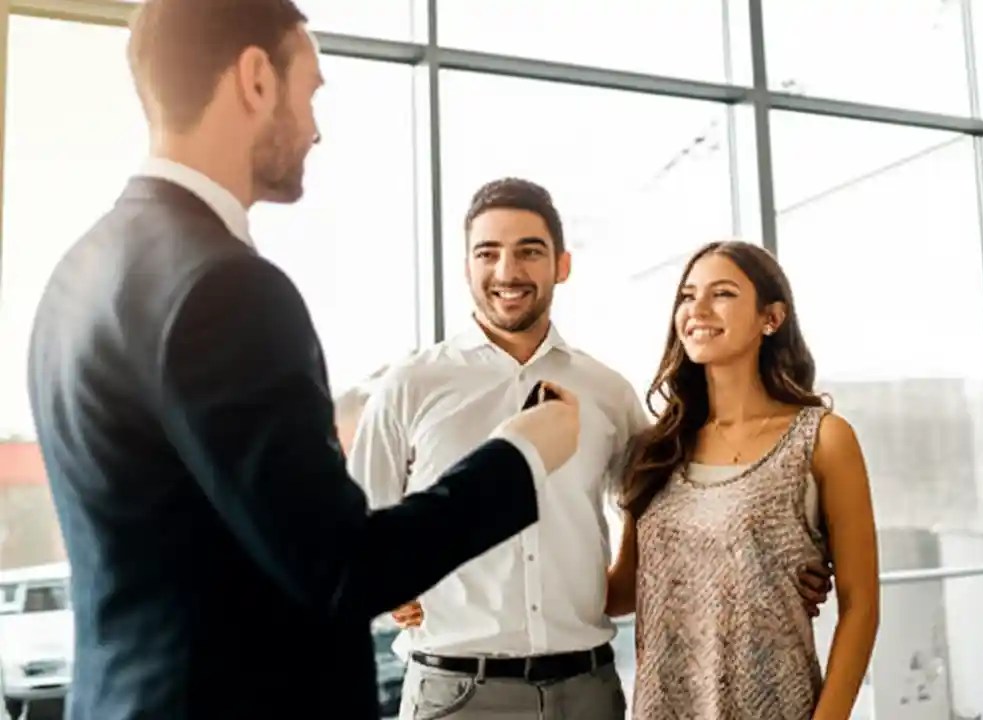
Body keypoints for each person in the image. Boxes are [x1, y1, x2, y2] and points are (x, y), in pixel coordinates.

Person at [23, 3, 579, 719]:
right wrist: (522, 455)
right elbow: (342, 565)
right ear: (256, 78)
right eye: (310, 90)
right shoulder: (226, 286)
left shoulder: (78, 275)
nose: (316, 127)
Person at [348, 179, 833, 720]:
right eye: (488, 253)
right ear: (467, 267)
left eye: (529, 251)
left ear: (562, 264)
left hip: (587, 693)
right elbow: (353, 535)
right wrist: (389, 589)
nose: (507, 271)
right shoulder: (410, 385)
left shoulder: (607, 392)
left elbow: (682, 513)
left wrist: (776, 569)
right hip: (456, 694)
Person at [606, 240, 880, 720]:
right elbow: (622, 592)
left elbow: (861, 606)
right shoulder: (656, 450)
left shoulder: (822, 440)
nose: (698, 310)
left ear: (770, 318)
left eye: (723, 294)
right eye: (687, 296)